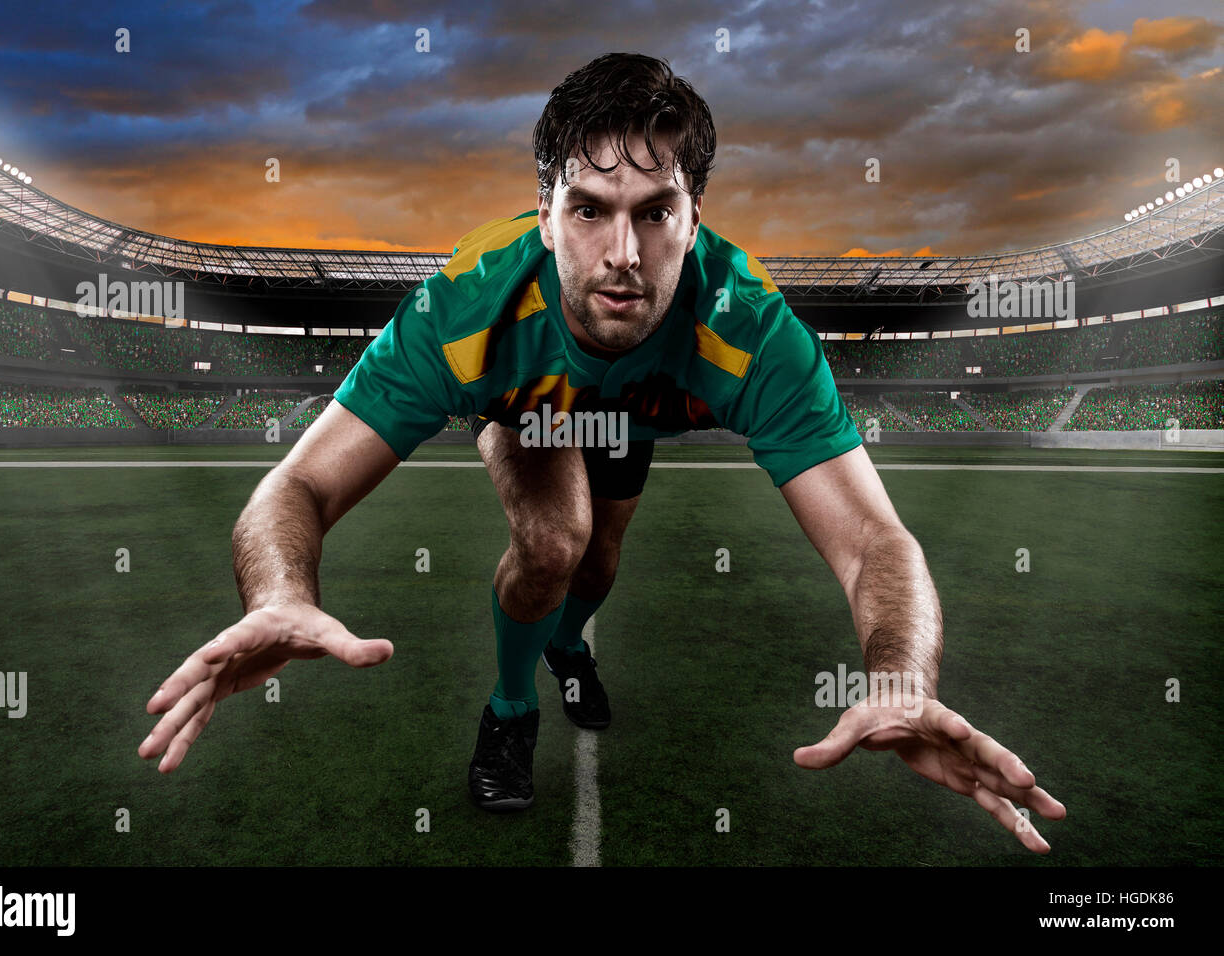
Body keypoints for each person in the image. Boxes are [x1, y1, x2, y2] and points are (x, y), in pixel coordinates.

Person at [139, 52, 1065, 852]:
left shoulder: (751, 326)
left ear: (695, 220)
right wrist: (280, 596)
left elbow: (874, 540)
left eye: (656, 212)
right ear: (543, 216)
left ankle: (571, 646)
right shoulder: (467, 306)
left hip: (633, 421)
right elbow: (299, 481)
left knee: (602, 555)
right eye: (588, 209)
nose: (622, 252)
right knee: (554, 539)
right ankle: (509, 712)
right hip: (528, 410)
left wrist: (901, 677)